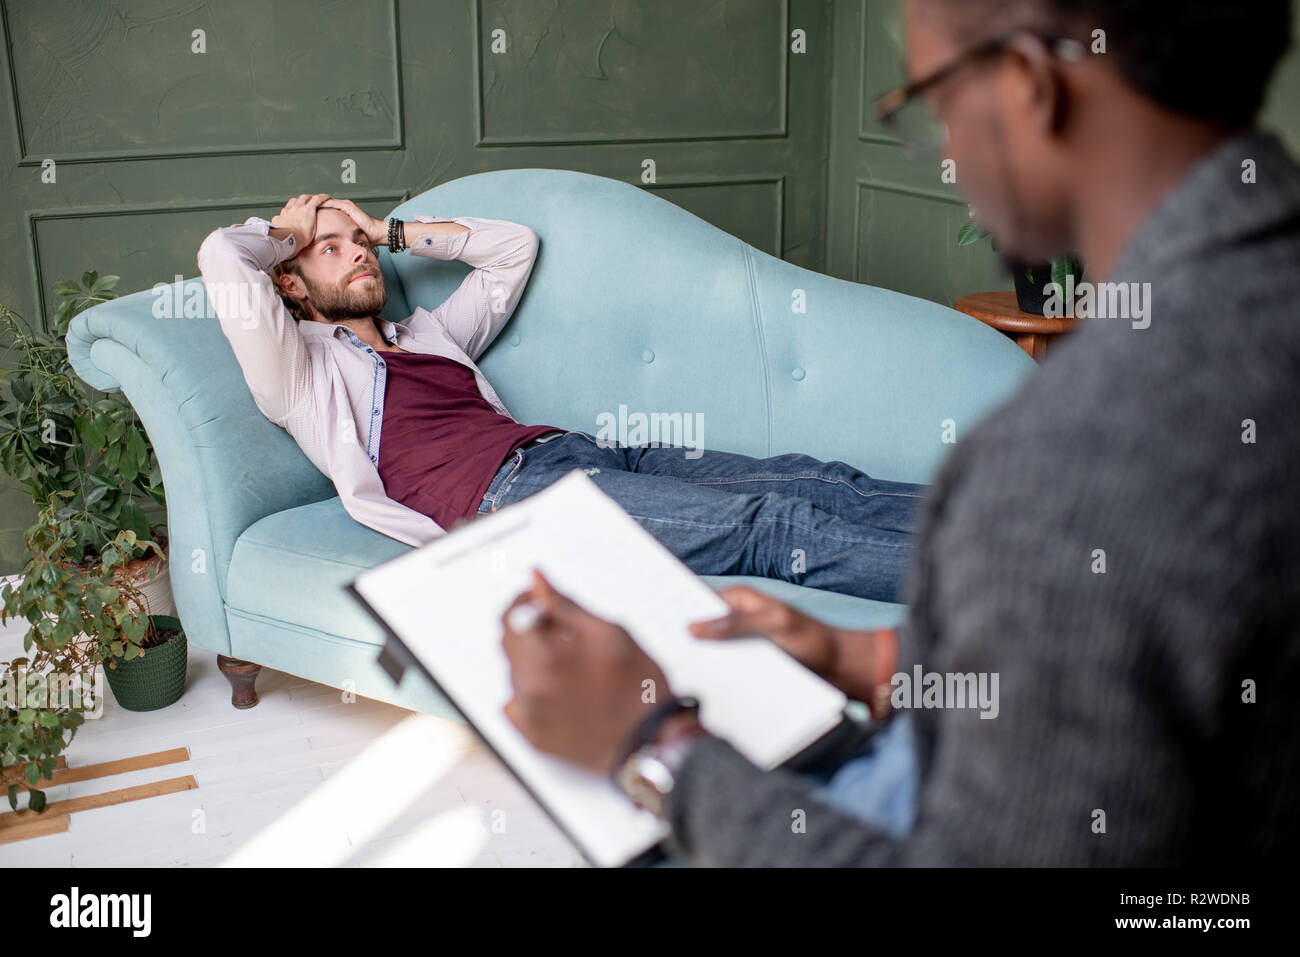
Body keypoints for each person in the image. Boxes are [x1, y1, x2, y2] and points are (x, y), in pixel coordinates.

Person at [498, 0, 1300, 865]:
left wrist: (651, 746)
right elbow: (1162, 638)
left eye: (933, 102)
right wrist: (883, 659)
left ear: (1029, 86)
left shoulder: (1072, 458)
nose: (946, 152)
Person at [197, 197, 925, 603]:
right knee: (770, 527)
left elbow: (514, 247)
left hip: (584, 453)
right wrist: (286, 231)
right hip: (521, 502)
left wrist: (388, 228)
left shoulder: (428, 334)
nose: (358, 252)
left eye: (358, 242)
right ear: (289, 285)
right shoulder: (302, 378)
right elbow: (221, 259)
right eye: (331, 249)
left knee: (816, 478)